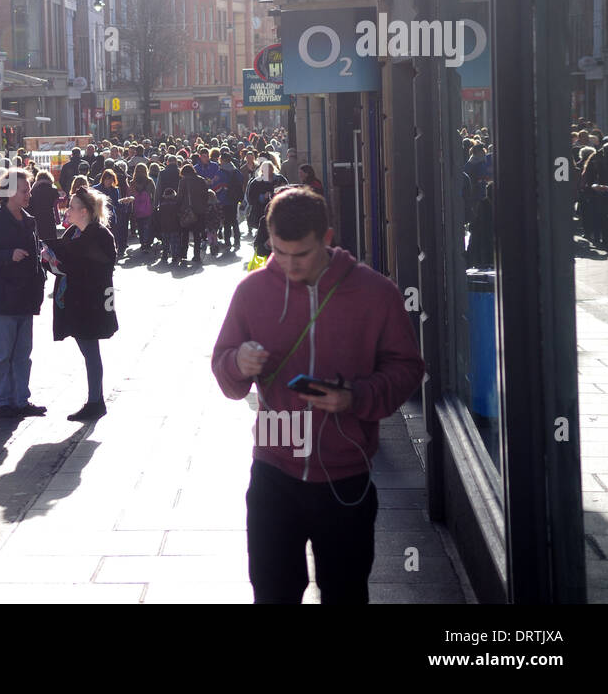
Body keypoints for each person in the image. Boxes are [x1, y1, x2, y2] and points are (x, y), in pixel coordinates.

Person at [211, 188, 424, 603]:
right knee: (273, 592)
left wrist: (356, 398)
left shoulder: (375, 293)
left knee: (345, 592)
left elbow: (408, 369)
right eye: (278, 252)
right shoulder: (252, 291)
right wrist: (239, 363)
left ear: (326, 238)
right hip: (273, 470)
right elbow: (224, 373)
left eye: (301, 255)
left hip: (345, 476)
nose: (288, 265)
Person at [0, 169, 47, 418]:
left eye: (28, 189)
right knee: (3, 355)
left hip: (25, 299)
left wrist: (42, 272)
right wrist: (8, 255)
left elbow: (35, 254)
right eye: (24, 190)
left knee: (22, 355)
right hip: (2, 300)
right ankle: (3, 402)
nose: (29, 194)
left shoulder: (29, 220)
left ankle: (21, 399)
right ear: (8, 192)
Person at [43, 187, 118, 420]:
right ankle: (95, 400)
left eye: (72, 207)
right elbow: (65, 259)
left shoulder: (99, 235)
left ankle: (96, 401)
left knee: (91, 352)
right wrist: (52, 261)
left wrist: (59, 261)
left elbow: (93, 267)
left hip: (91, 303)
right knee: (89, 351)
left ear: (84, 211)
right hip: (78, 301)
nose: (67, 210)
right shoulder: (75, 233)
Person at [177, 163, 210, 266]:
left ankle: (183, 253)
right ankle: (196, 255)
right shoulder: (201, 180)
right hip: (200, 211)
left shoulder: (183, 181)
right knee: (197, 234)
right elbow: (206, 195)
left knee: (185, 234)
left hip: (187, 210)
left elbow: (180, 197)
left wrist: (178, 208)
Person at [218, 151, 245, 249]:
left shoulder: (220, 172)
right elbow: (241, 181)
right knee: (234, 220)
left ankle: (227, 241)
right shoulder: (235, 170)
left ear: (223, 160)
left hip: (224, 199)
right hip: (234, 198)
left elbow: (217, 185)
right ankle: (237, 240)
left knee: (226, 222)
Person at [28, 170, 61, 244]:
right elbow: (55, 203)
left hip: (37, 217)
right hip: (49, 217)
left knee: (39, 239)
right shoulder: (53, 189)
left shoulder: (33, 190)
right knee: (51, 240)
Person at [129, 163, 156, 253]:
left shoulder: (132, 182)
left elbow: (130, 195)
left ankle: (142, 242)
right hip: (148, 207)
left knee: (140, 226)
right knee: (148, 225)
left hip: (137, 207)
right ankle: (147, 242)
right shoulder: (149, 181)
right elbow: (154, 194)